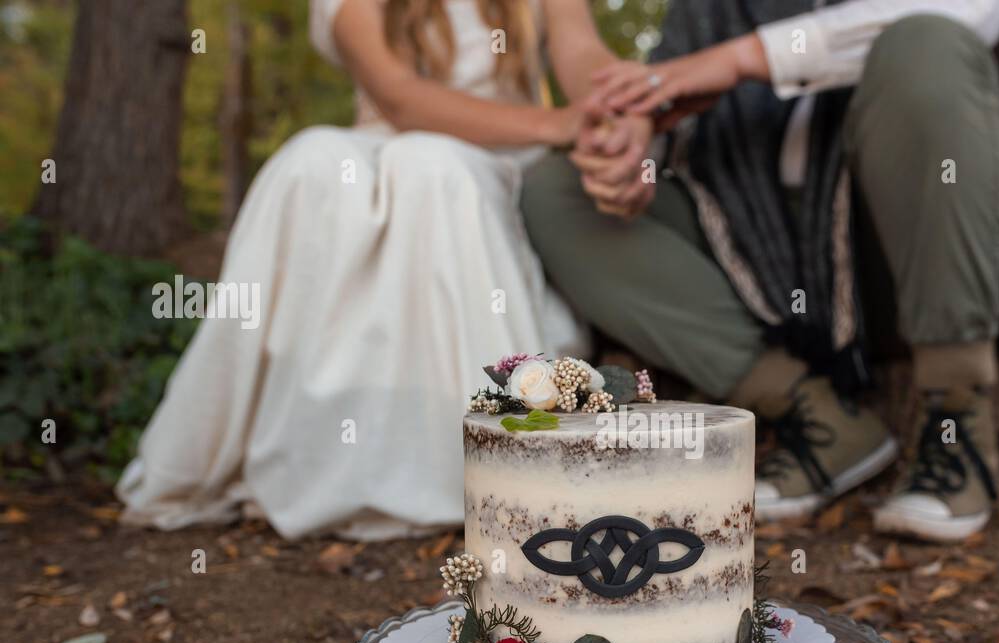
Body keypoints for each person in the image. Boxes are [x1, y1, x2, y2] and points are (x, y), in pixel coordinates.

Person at [522, 0, 999, 543]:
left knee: (924, 42)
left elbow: (970, 12)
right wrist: (636, 148)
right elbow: (674, 93)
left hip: (905, 240)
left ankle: (958, 418)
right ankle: (818, 417)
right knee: (559, 191)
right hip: (750, 240)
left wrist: (740, 58)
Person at [118, 0, 635, 540]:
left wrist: (612, 108)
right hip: (383, 142)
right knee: (308, 161)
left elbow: (582, 52)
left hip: (492, 153)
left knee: (432, 171)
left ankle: (492, 459)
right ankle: (302, 464)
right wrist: (560, 124)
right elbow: (397, 96)